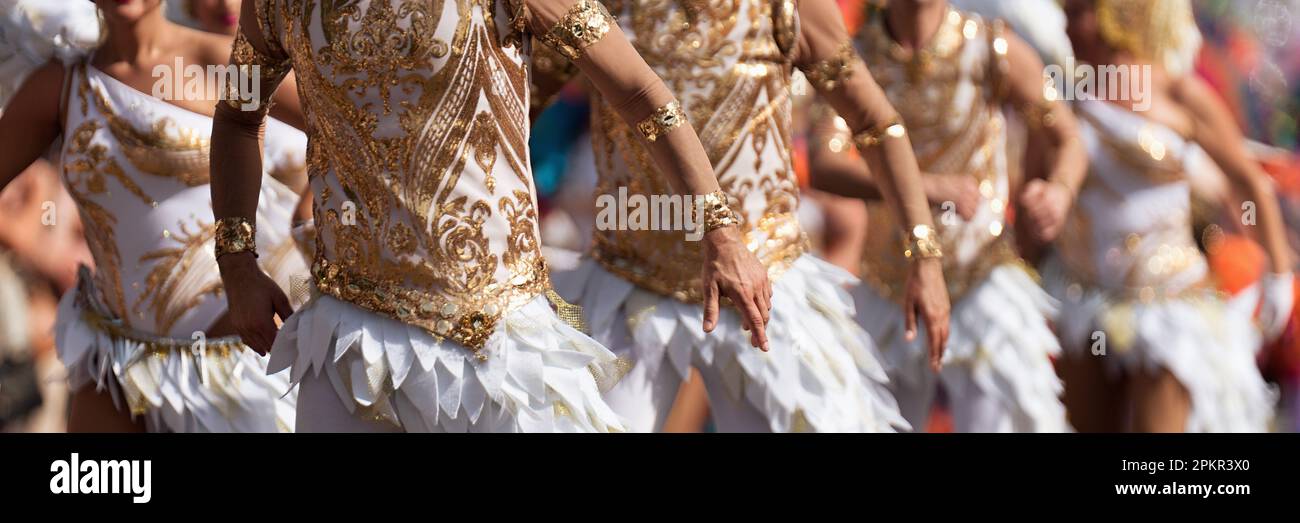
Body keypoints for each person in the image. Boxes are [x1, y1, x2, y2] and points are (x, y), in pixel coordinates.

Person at [212, 0, 773, 432]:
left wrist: (719, 228)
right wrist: (236, 262)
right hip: (347, 341)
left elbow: (637, 89)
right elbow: (238, 115)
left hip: (500, 343)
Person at [540, 0, 951, 432]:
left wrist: (925, 252)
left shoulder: (788, 6)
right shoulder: (600, 5)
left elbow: (874, 122)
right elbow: (514, 95)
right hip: (628, 282)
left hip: (765, 287)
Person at [0, 0, 306, 432]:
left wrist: (315, 217)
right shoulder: (60, 87)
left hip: (236, 356)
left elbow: (348, 129)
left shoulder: (220, 60)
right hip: (117, 363)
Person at [809, 0, 1085, 432]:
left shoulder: (992, 47)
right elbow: (825, 164)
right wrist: (927, 186)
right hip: (891, 287)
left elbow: (1066, 136)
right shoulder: (853, 56)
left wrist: (1059, 193)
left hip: (981, 275)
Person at [1048, 0, 1289, 432]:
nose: (1064, 24)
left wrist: (1278, 276)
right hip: (1085, 296)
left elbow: (1250, 184)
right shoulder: (1062, 93)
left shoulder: (1178, 92)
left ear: (1112, 16)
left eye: (1078, 11)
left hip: (1168, 304)